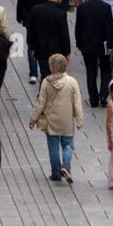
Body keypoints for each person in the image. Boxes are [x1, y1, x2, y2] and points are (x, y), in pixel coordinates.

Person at [29, 54, 83, 185]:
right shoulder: (72, 82)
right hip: (67, 121)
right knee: (69, 145)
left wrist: (33, 119)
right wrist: (79, 120)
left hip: (51, 121)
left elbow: (40, 102)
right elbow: (77, 103)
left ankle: (55, 173)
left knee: (53, 148)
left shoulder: (46, 83)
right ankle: (66, 164)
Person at [75, 0, 113, 107]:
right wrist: (111, 45)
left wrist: (79, 43)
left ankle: (93, 99)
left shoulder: (82, 8)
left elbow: (78, 28)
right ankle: (103, 96)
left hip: (87, 44)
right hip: (102, 44)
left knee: (90, 71)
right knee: (105, 70)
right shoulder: (105, 7)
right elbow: (109, 28)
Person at [26, 0, 71, 80]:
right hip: (56, 50)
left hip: (41, 49)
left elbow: (31, 31)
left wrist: (32, 48)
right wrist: (67, 52)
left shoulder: (36, 10)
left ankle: (42, 93)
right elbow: (64, 34)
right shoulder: (60, 13)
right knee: (56, 76)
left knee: (44, 75)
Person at [16, 0, 49, 85]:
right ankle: (44, 69)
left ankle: (33, 73)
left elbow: (21, 2)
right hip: (44, 17)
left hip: (30, 18)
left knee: (31, 43)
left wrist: (20, 18)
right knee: (44, 41)